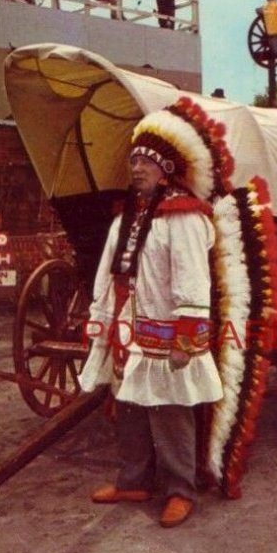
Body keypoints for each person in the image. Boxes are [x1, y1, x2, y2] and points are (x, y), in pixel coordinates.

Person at [79, 97, 235, 527]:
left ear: (167, 169)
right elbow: (108, 274)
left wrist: (187, 337)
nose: (136, 169)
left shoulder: (182, 217)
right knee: (126, 404)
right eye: (133, 162)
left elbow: (192, 280)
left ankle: (180, 489)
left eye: (146, 162)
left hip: (168, 332)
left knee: (170, 411)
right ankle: (134, 480)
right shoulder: (124, 219)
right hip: (129, 331)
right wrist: (102, 321)